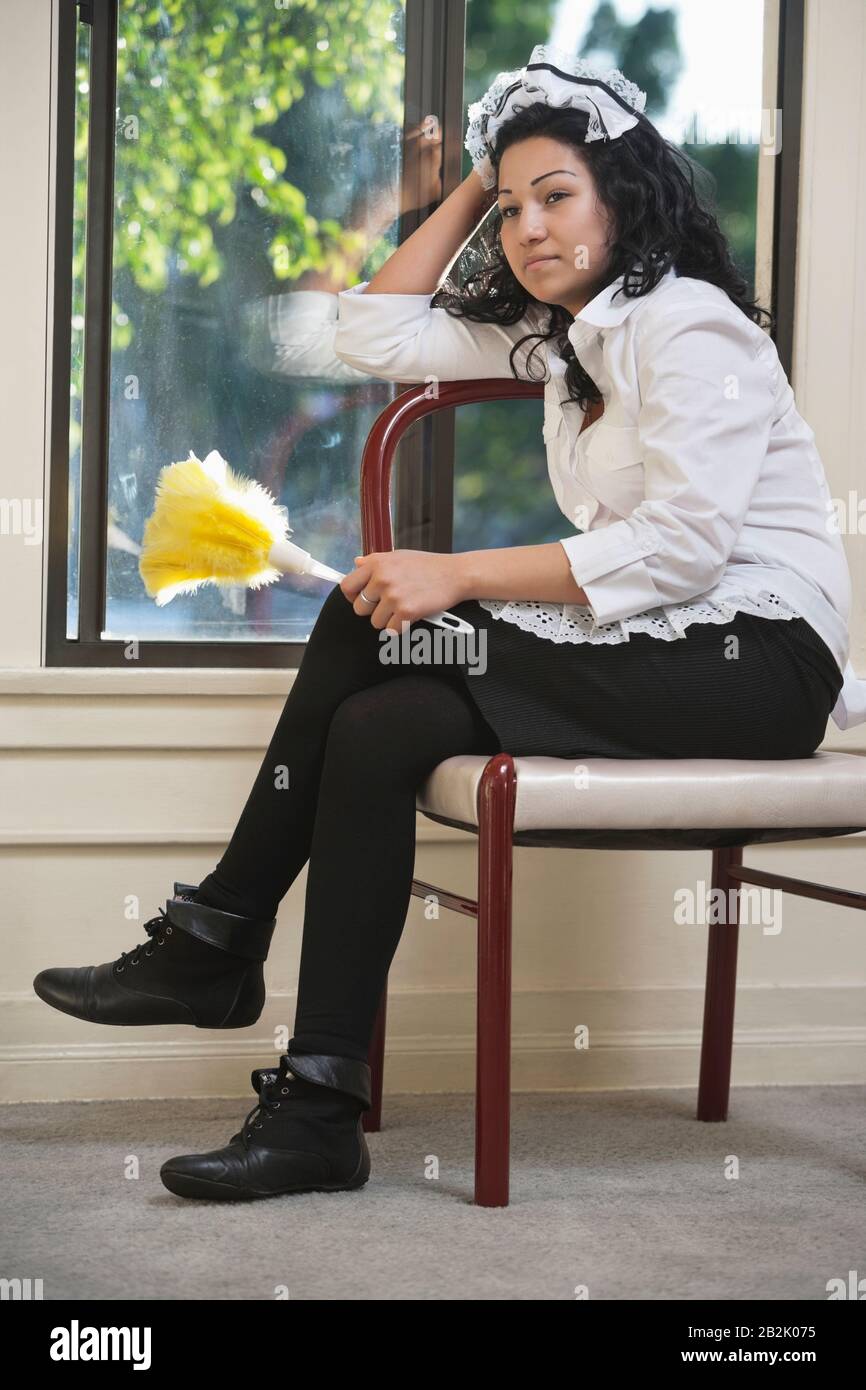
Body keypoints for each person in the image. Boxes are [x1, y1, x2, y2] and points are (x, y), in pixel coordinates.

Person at [32, 44, 865, 1202]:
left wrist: (458, 574)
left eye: (556, 196)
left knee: (367, 613)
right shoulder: (563, 339)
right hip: (665, 650)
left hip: (756, 661)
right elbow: (353, 336)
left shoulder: (687, 326)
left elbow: (682, 547)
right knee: (377, 728)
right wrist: (469, 185)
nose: (528, 227)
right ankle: (319, 1106)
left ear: (623, 193)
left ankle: (216, 938)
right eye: (512, 207)